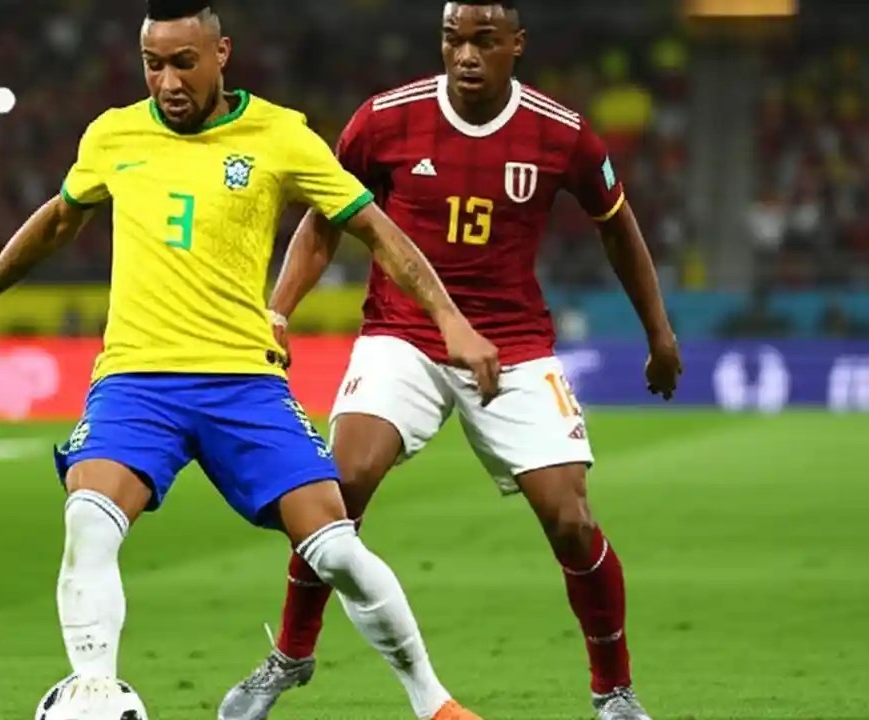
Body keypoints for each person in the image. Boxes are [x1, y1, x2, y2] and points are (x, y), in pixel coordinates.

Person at [0, 1, 501, 718]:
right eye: (153, 65)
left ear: (221, 54)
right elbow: (60, 219)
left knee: (335, 548)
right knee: (88, 519)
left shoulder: (280, 134)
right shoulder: (113, 134)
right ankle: (94, 693)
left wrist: (450, 319)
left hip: (243, 382)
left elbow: (373, 228)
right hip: (137, 381)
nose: (168, 82)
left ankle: (435, 704)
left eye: (184, 63)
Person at [219, 3, 683, 720]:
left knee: (570, 520)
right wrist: (277, 312)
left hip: (514, 345)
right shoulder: (385, 120)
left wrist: (659, 333)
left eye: (483, 41)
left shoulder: (560, 133)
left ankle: (614, 691)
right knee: (341, 485)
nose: (465, 55)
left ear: (516, 45)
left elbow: (616, 226)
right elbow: (324, 218)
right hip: (403, 335)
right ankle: (291, 653)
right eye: (453, 39)